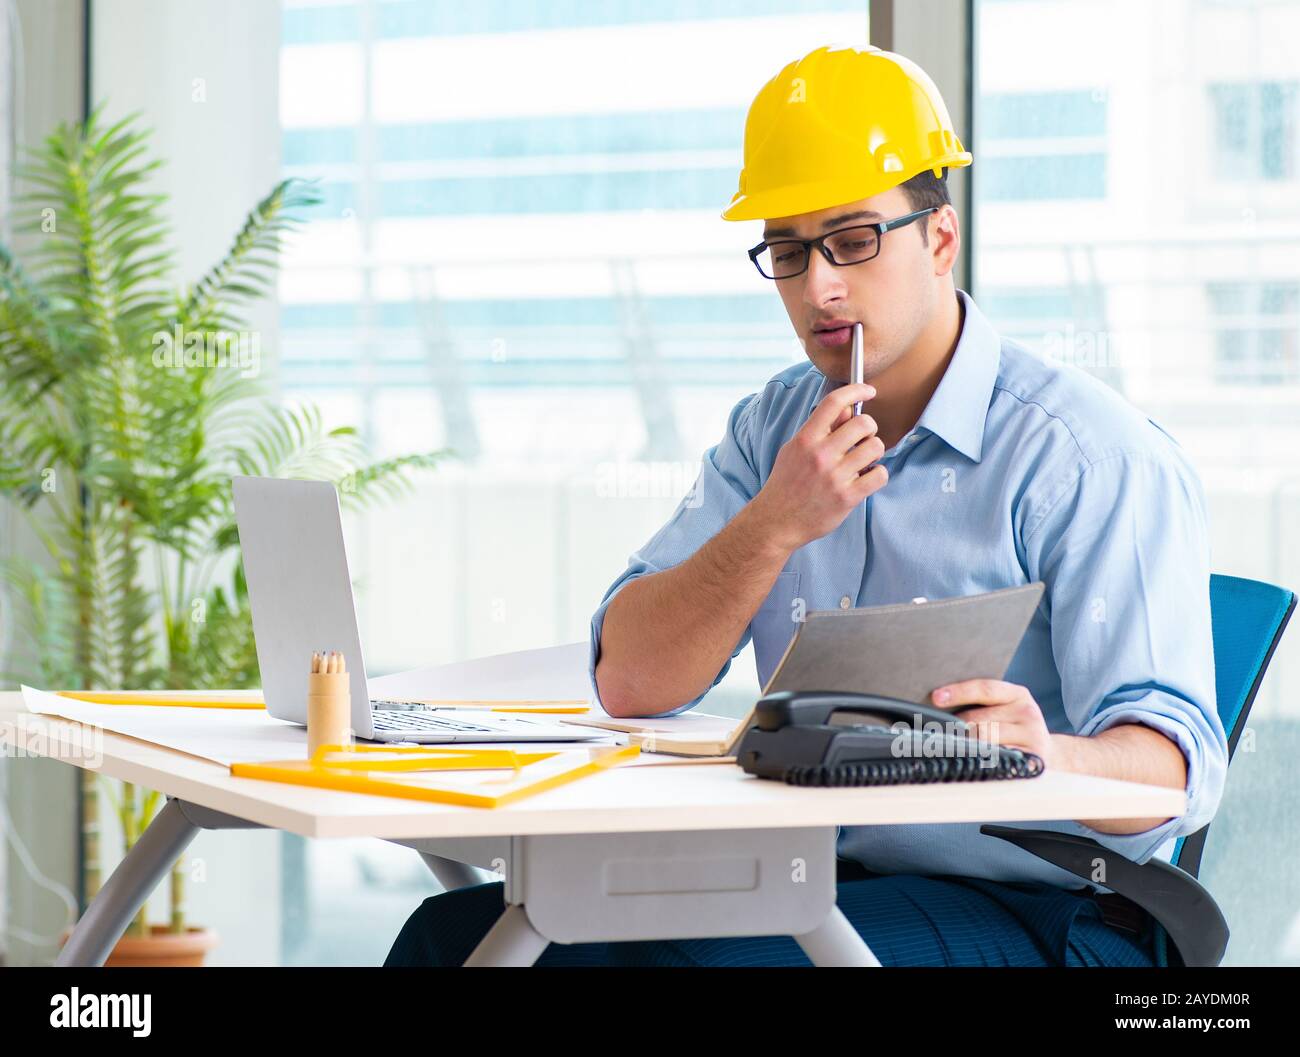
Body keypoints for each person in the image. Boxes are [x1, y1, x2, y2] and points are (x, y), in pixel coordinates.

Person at [385, 43, 1226, 968]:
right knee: (449, 940)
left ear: (939, 238)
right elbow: (629, 680)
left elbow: (1173, 775)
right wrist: (774, 521)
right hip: (805, 872)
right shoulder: (773, 429)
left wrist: (1047, 753)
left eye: (853, 240)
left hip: (1043, 903)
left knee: (689, 965)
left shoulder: (1087, 456)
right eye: (789, 251)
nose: (819, 286)